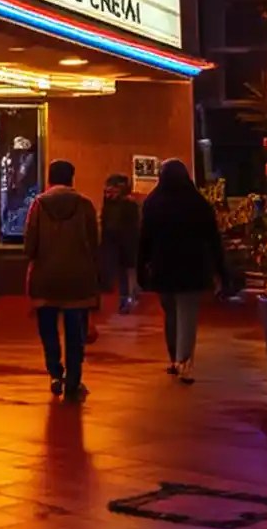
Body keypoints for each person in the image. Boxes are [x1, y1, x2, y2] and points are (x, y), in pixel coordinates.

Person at [138, 158, 227, 385]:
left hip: (163, 268)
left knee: (171, 314)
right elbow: (213, 239)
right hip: (193, 268)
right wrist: (221, 271)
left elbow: (144, 241)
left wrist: (141, 268)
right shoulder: (197, 203)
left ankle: (173, 358)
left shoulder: (153, 202)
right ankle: (184, 362)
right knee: (187, 316)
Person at [25, 161, 100, 403]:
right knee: (74, 332)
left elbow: (29, 246)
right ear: (72, 178)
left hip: (46, 278)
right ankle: (74, 381)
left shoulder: (38, 205)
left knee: (48, 329)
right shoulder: (85, 205)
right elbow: (94, 243)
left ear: (49, 178)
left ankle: (55, 374)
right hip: (78, 279)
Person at [101, 174, 141, 315]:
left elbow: (132, 227)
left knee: (128, 273)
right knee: (124, 274)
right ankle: (127, 300)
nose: (108, 194)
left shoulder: (128, 205)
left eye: (112, 191)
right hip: (118, 245)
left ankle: (129, 299)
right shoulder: (114, 204)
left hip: (127, 244)